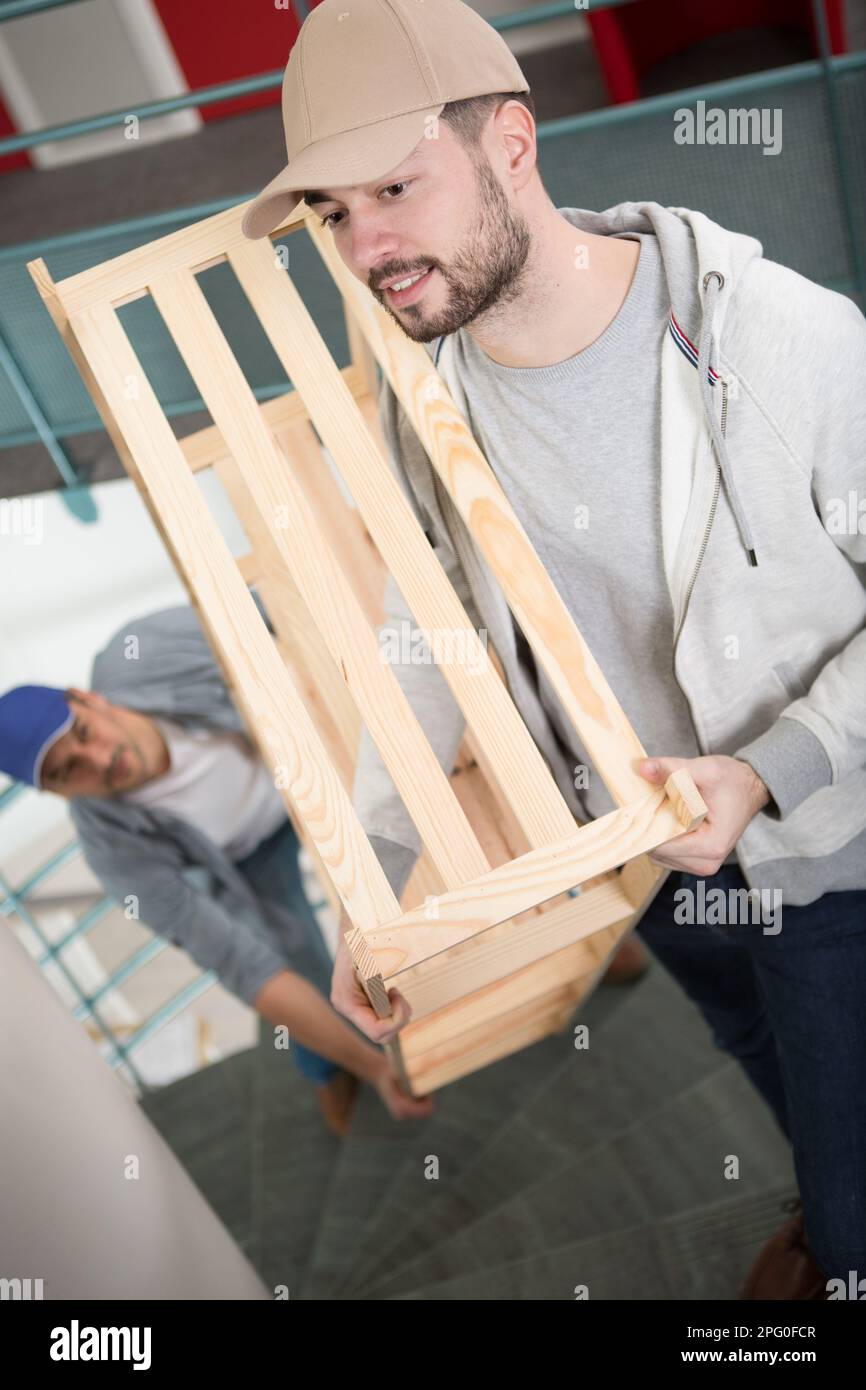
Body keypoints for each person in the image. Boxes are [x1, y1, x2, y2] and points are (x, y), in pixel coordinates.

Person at [240, 0, 866, 1296]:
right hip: (643, 858)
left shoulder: (787, 341)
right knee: (756, 1053)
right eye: (334, 216)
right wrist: (381, 885)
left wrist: (766, 770)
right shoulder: (426, 410)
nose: (368, 247)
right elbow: (437, 640)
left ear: (511, 142)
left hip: (828, 857)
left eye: (395, 189)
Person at [0, 595, 435, 1135]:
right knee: (287, 954)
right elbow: (245, 968)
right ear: (58, 794)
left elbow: (271, 601)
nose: (99, 761)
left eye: (83, 734)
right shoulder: (111, 848)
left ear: (87, 698)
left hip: (313, 767)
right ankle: (330, 1069)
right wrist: (377, 1070)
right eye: (69, 773)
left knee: (410, 839)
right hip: (248, 854)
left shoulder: (145, 651)